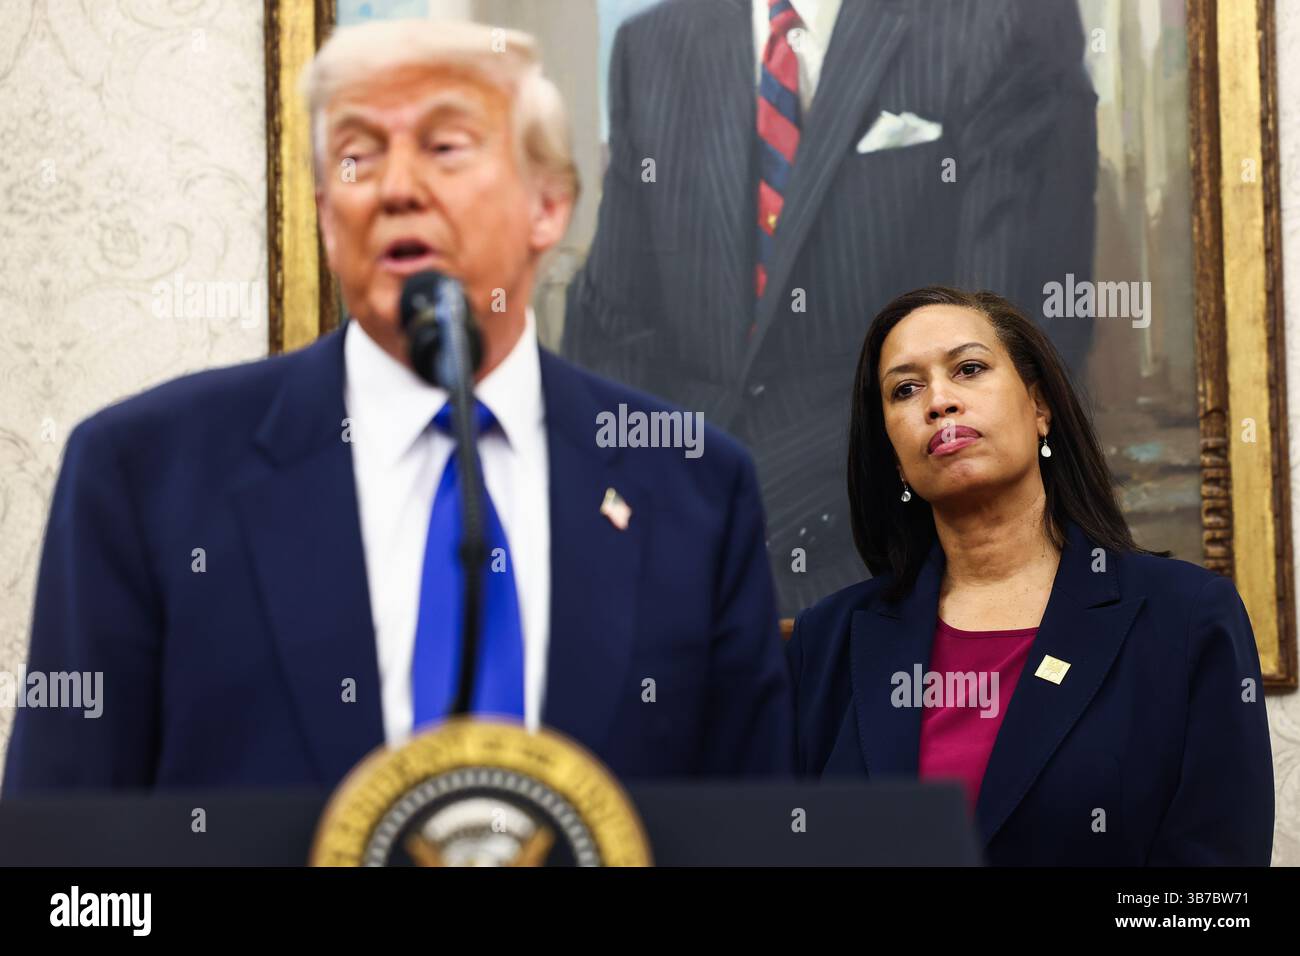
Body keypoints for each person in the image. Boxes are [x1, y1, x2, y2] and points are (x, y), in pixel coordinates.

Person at [2, 19, 791, 793]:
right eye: (356, 157)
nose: (397, 188)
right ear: (323, 213)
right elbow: (64, 857)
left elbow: (748, 834)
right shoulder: (146, 476)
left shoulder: (692, 487)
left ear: (547, 207)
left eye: (447, 148)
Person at [564, 0, 1098, 614]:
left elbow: (1011, 340)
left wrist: (727, 500)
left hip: (895, 566)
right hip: (675, 576)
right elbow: (611, 329)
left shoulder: (1005, 20)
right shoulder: (650, 46)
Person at [787, 286, 1274, 865]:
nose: (938, 401)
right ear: (895, 455)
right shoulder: (829, 638)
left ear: (1039, 407)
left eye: (968, 369)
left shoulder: (1186, 617)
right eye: (905, 389)